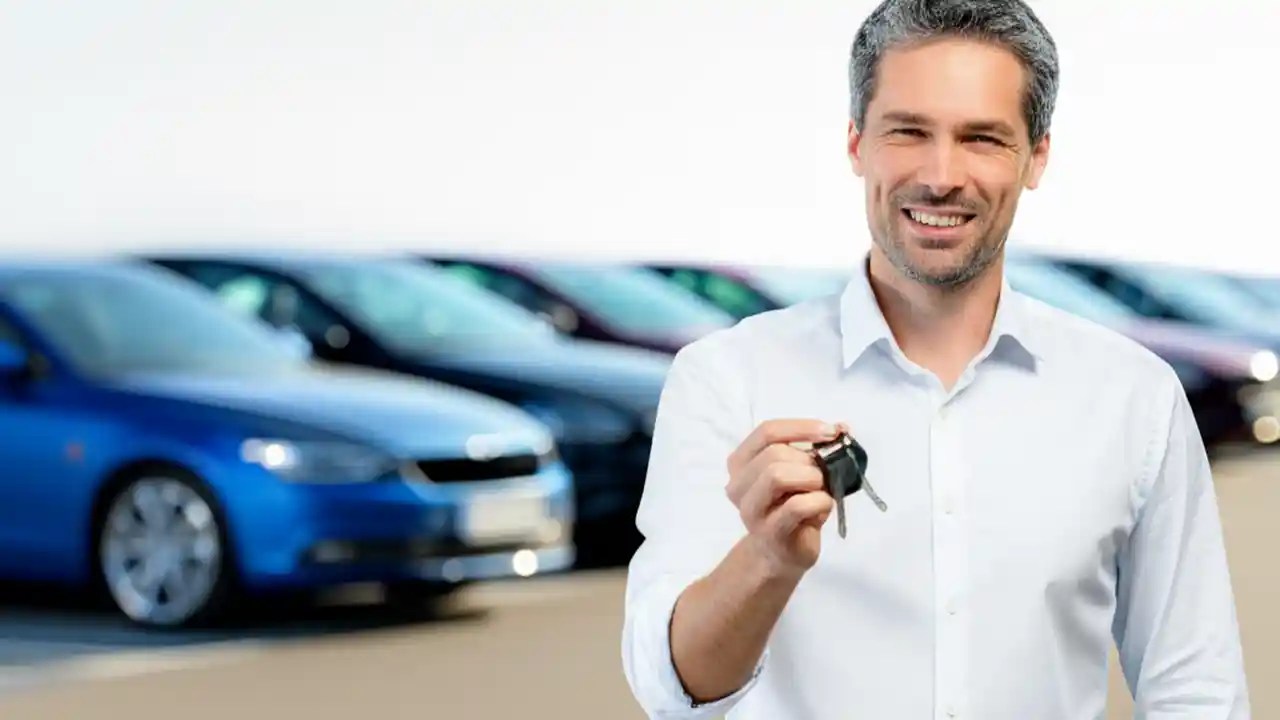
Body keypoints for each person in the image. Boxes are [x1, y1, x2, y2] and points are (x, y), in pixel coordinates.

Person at [620, 0, 1252, 717]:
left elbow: (1196, 689)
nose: (941, 175)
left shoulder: (1134, 397)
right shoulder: (727, 380)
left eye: (981, 138)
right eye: (908, 131)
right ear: (857, 142)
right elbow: (671, 690)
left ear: (1036, 156)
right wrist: (765, 562)